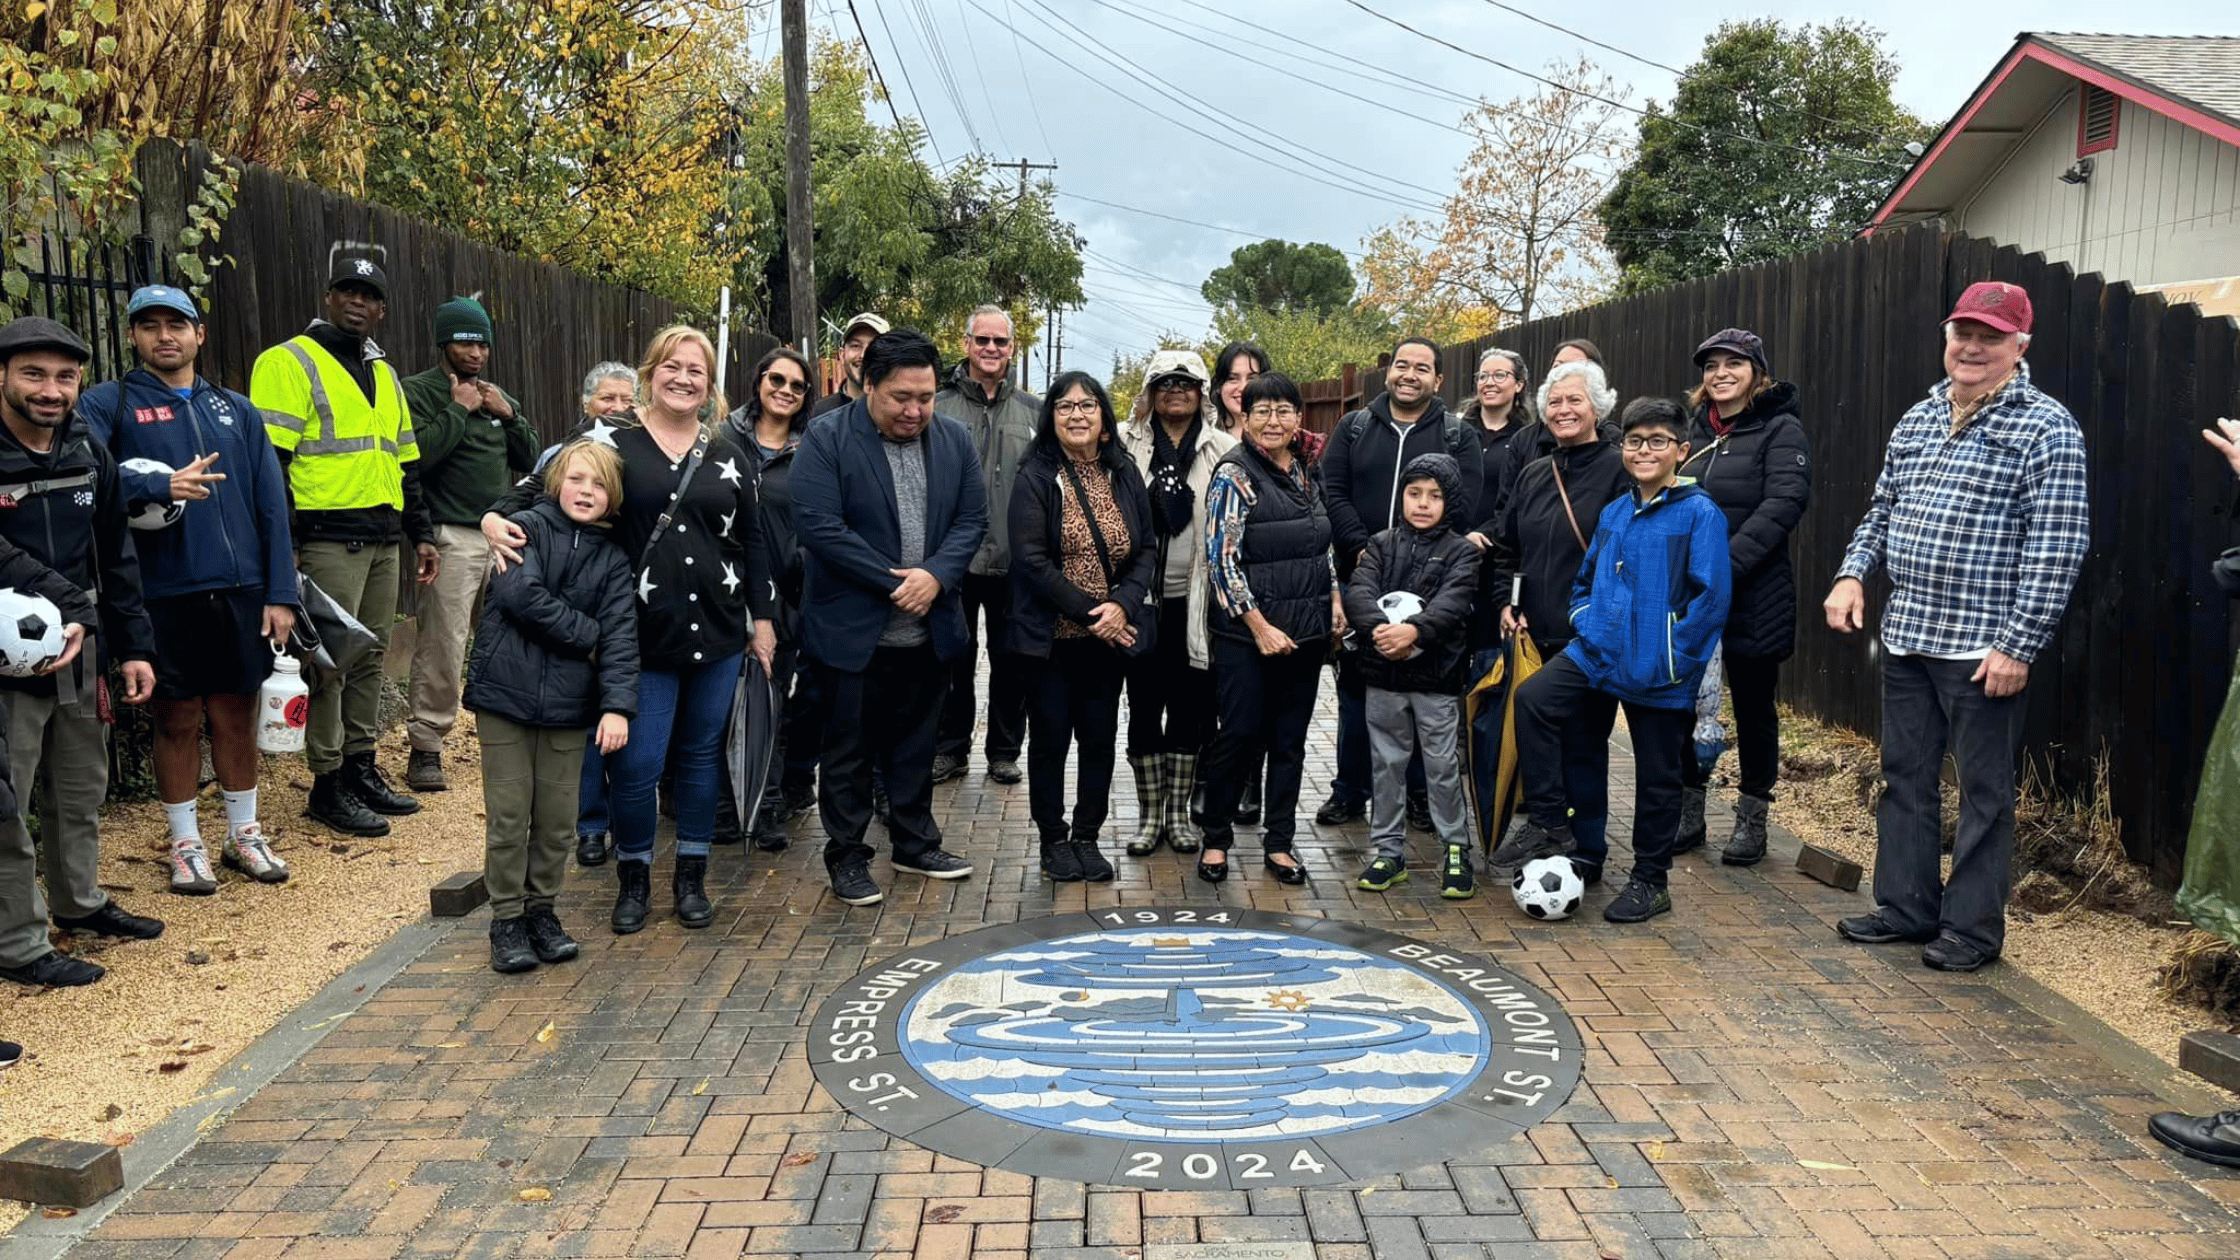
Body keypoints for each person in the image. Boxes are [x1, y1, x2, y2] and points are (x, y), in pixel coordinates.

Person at [1826, 281, 2089, 973]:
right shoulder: (1917, 418)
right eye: (1963, 332)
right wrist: (1852, 573)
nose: (1972, 347)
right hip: (1910, 633)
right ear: (1947, 337)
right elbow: (1882, 509)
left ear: (2019, 345)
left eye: (1991, 336)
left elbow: (2058, 544)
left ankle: (1971, 931)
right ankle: (1907, 908)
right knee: (1904, 776)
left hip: (1983, 649)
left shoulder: (2046, 426)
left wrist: (2018, 643)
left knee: (1983, 794)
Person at [484, 325, 776, 935]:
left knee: (701, 760)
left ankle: (692, 877)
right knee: (638, 765)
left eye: (696, 370)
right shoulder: (611, 440)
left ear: (710, 382)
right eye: (672, 366)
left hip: (718, 636)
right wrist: (491, 519)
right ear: (651, 371)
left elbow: (753, 540)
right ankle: (634, 879)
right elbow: (543, 488)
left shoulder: (731, 450)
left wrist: (764, 621)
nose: (683, 378)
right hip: (637, 637)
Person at [78, 285, 299, 893]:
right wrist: (152, 487)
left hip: (241, 588)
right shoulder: (108, 405)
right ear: (132, 337)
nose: (164, 336)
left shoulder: (237, 409)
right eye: (148, 325)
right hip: (161, 591)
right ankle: (184, 841)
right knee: (174, 719)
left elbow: (271, 505)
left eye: (176, 324)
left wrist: (281, 592)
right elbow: (80, 482)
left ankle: (243, 834)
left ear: (200, 333)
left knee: (236, 712)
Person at [1509, 398, 1731, 923]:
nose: (1644, 450)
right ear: (1622, 447)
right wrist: (1587, 618)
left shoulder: (1700, 513)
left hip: (1661, 668)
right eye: (1634, 441)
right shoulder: (1616, 511)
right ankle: (1558, 828)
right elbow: (1586, 579)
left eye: (1658, 441)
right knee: (1536, 702)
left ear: (1682, 450)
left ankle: (1650, 881)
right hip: (1596, 654)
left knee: (1658, 778)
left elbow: (1712, 599)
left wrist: (1676, 656)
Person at [794, 329, 987, 906]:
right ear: (867, 384)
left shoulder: (954, 440)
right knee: (848, 751)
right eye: (901, 397)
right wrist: (895, 582)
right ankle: (848, 855)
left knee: (915, 745)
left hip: (929, 630)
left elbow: (971, 521)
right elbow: (819, 527)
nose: (915, 410)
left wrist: (936, 577)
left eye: (925, 397)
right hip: (852, 632)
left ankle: (914, 842)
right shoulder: (826, 439)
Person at [0, 316, 163, 986]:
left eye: (65, 377)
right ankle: (17, 941)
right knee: (8, 801)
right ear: (3, 376)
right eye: (33, 374)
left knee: (79, 782)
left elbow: (115, 554)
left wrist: (133, 647)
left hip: (81, 648)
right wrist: (61, 600)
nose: (50, 390)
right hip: (9, 661)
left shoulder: (87, 449)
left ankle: (80, 901)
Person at [252, 258, 439, 837]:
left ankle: (361, 766)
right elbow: (269, 467)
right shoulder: (288, 362)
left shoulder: (384, 373)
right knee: (329, 663)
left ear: (382, 310)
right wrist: (284, 548)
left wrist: (422, 533)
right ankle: (326, 783)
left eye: (370, 295)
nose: (357, 302)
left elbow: (403, 461)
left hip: (384, 539)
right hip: (326, 538)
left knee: (371, 658)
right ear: (329, 297)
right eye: (347, 291)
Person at [467, 439, 637, 973]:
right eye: (577, 479)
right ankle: (507, 919)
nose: (587, 491)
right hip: (505, 696)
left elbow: (622, 637)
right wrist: (586, 632)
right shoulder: (527, 528)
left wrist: (617, 707)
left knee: (558, 821)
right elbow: (520, 595)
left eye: (600, 484)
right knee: (510, 815)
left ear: (613, 499)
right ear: (554, 482)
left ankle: (543, 910)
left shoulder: (611, 559)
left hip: (570, 704)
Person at [1316, 337, 1482, 830]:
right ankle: (1350, 789)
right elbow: (1333, 490)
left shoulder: (1457, 435)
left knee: (1423, 692)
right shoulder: (1354, 427)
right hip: (1363, 575)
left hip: (1433, 587)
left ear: (1439, 380)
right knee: (1357, 691)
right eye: (1402, 365)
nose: (1410, 374)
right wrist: (1363, 546)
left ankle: (1417, 795)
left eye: (1422, 368)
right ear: (1388, 372)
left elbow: (1466, 501)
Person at [1485, 359, 1632, 884]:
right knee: (1547, 731)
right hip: (1533, 632)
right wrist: (1508, 600)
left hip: (1590, 634)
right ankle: (1564, 838)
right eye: (1555, 402)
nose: (1563, 410)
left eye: (1575, 400)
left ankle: (1584, 850)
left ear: (1598, 407)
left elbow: (1625, 556)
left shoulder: (1619, 470)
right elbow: (1509, 549)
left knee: (1585, 745)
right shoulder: (1532, 472)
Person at [1197, 373, 1344, 885]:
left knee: (1289, 742)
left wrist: (1336, 599)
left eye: (1284, 410)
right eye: (1262, 411)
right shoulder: (1233, 474)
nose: (1273, 421)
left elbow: (1318, 545)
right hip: (1248, 637)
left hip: (1304, 634)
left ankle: (1280, 843)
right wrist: (1257, 626)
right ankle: (1215, 838)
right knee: (1238, 737)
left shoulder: (1306, 470)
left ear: (1298, 417)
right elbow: (1222, 562)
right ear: (1244, 416)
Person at [1008, 372, 1153, 883]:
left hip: (1107, 641)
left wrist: (1122, 606)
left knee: (1099, 738)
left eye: (1088, 406)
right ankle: (1053, 839)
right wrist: (1096, 615)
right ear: (1051, 418)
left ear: (1104, 420)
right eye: (1065, 406)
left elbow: (1147, 550)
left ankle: (1087, 836)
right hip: (1050, 639)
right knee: (1049, 741)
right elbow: (1030, 561)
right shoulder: (1035, 476)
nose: (1076, 415)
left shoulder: (1124, 473)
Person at [1674, 329, 1811, 864]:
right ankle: (1689, 812)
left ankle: (1753, 817)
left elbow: (1784, 503)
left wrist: (1722, 568)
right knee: (1686, 700)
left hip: (1754, 595)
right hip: (1691, 597)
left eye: (1734, 363)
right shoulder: (1690, 433)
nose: (1721, 374)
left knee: (1754, 707)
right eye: (1711, 365)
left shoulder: (1779, 429)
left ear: (1757, 372)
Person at [400, 296, 538, 793]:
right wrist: (458, 410)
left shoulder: (495, 395)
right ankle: (427, 746)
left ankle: (508, 738)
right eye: (465, 341)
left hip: (500, 531)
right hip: (451, 534)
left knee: (507, 639)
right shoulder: (418, 392)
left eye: (482, 342)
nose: (475, 351)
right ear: (444, 343)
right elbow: (417, 458)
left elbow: (532, 458)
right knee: (444, 641)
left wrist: (508, 415)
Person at [1343, 453, 1481, 898]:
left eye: (1435, 496)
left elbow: (1453, 603)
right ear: (1401, 496)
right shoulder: (1381, 544)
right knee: (1386, 764)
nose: (1423, 504)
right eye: (1414, 493)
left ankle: (1455, 850)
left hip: (1435, 680)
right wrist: (1379, 631)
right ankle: (1387, 851)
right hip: (1383, 675)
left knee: (1442, 766)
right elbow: (1360, 590)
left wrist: (1415, 632)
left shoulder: (1463, 552)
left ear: (1450, 501)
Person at [1117, 351, 1232, 856]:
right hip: (1140, 602)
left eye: (1186, 383)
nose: (1176, 391)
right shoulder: (1124, 446)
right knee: (1143, 709)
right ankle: (1148, 816)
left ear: (1202, 392)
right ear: (1150, 391)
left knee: (1190, 711)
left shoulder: (1223, 449)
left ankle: (1180, 815)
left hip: (1197, 603)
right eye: (1165, 383)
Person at [716, 346, 818, 849]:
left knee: (773, 701)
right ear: (759, 381)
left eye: (797, 386)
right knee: (717, 701)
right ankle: (719, 806)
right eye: (777, 379)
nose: (785, 390)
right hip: (719, 591)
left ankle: (767, 804)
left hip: (785, 598)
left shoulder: (812, 448)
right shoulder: (721, 437)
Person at [931, 305, 1037, 787]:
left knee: (1012, 661)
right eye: (983, 340)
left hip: (1016, 560)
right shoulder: (938, 403)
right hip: (953, 558)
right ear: (967, 343)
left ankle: (1004, 751)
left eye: (1000, 341)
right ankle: (950, 749)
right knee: (953, 658)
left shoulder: (1034, 410)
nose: (991, 349)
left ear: (1012, 348)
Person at [570, 361, 638, 867]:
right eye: (606, 400)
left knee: (628, 716)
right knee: (590, 722)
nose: (617, 409)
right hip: (578, 606)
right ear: (586, 405)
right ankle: (591, 825)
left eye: (626, 400)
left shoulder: (644, 460)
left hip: (635, 602)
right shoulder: (565, 456)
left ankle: (631, 815)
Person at [1204, 340, 1268, 825]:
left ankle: (1252, 784)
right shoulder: (1203, 435)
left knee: (1254, 699)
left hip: (1257, 591)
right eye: (1233, 376)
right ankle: (1212, 781)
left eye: (1252, 376)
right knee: (1211, 694)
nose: (1241, 386)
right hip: (1203, 585)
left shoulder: (1276, 436)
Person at [809, 313, 890, 420]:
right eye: (856, 346)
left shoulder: (899, 413)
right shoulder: (820, 414)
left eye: (874, 346)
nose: (863, 355)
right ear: (842, 355)